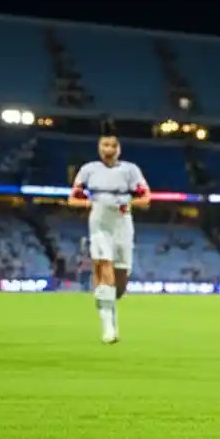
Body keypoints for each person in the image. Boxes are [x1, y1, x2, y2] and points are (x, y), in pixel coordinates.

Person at [67, 120, 150, 344]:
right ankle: (108, 328)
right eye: (105, 145)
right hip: (99, 224)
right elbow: (72, 199)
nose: (108, 150)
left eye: (113, 146)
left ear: (119, 148)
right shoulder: (88, 170)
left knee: (119, 284)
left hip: (122, 224)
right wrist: (90, 205)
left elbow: (146, 198)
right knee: (104, 268)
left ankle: (106, 303)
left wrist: (130, 204)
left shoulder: (130, 171)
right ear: (99, 147)